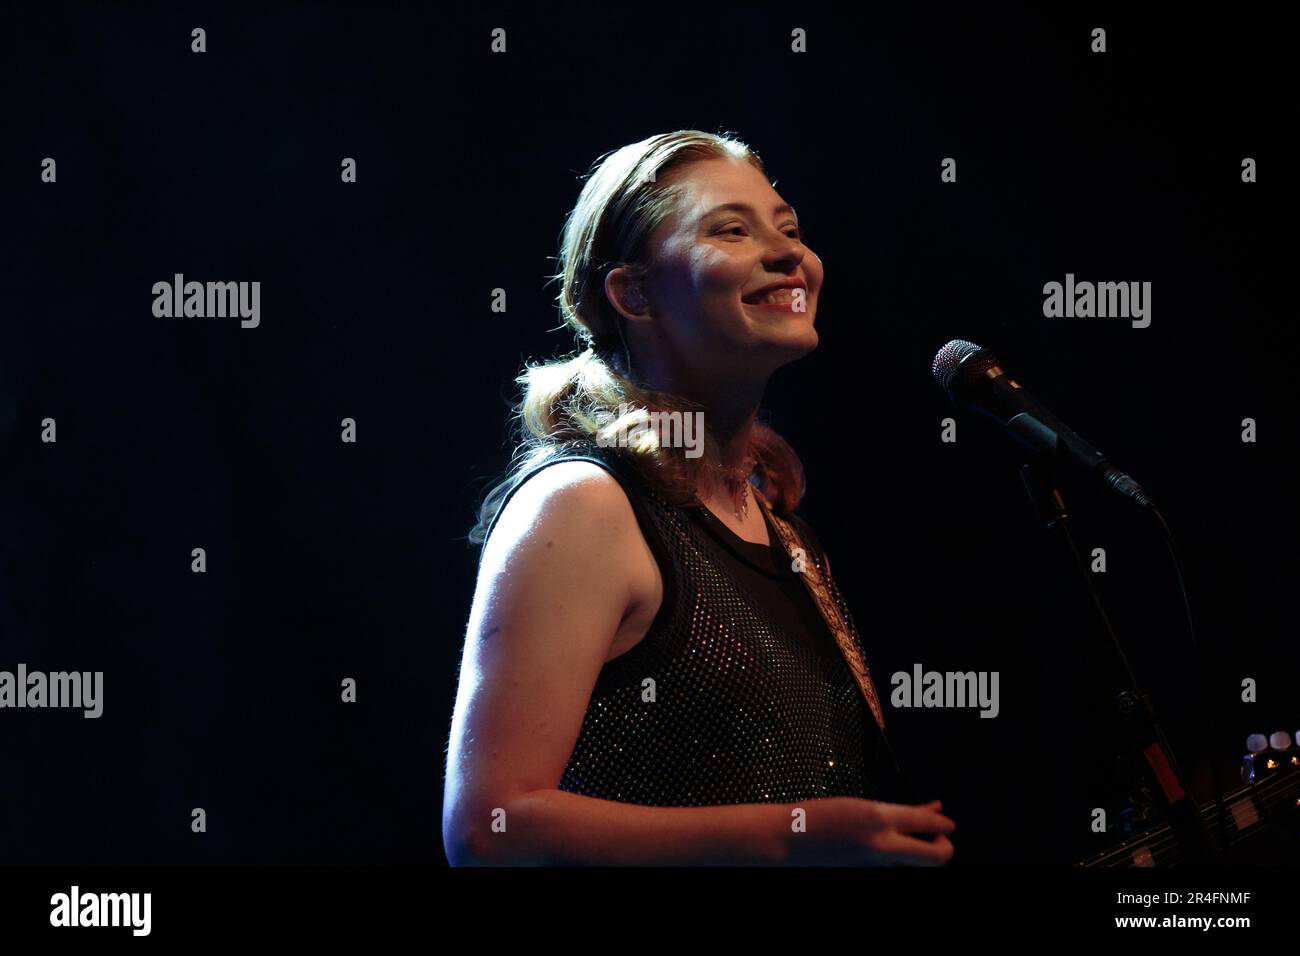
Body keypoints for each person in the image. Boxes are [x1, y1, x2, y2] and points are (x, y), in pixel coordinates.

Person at [442, 130, 955, 866]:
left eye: (789, 228)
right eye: (732, 230)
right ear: (634, 293)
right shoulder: (585, 506)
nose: (789, 254)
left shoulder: (786, 534)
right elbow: (489, 829)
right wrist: (791, 836)